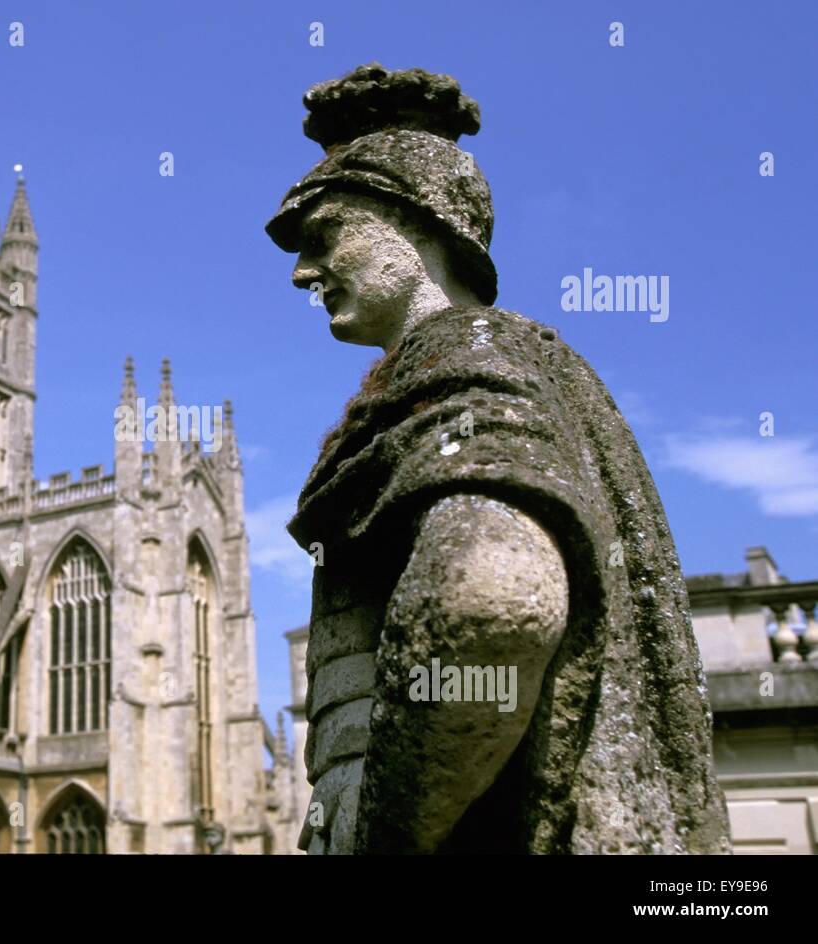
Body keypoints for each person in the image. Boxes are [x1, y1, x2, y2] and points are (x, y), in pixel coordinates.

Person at [266, 64, 729, 854]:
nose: (303, 272)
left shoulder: (458, 356)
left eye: (325, 235)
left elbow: (489, 601)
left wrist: (385, 832)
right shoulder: (536, 363)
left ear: (415, 223)